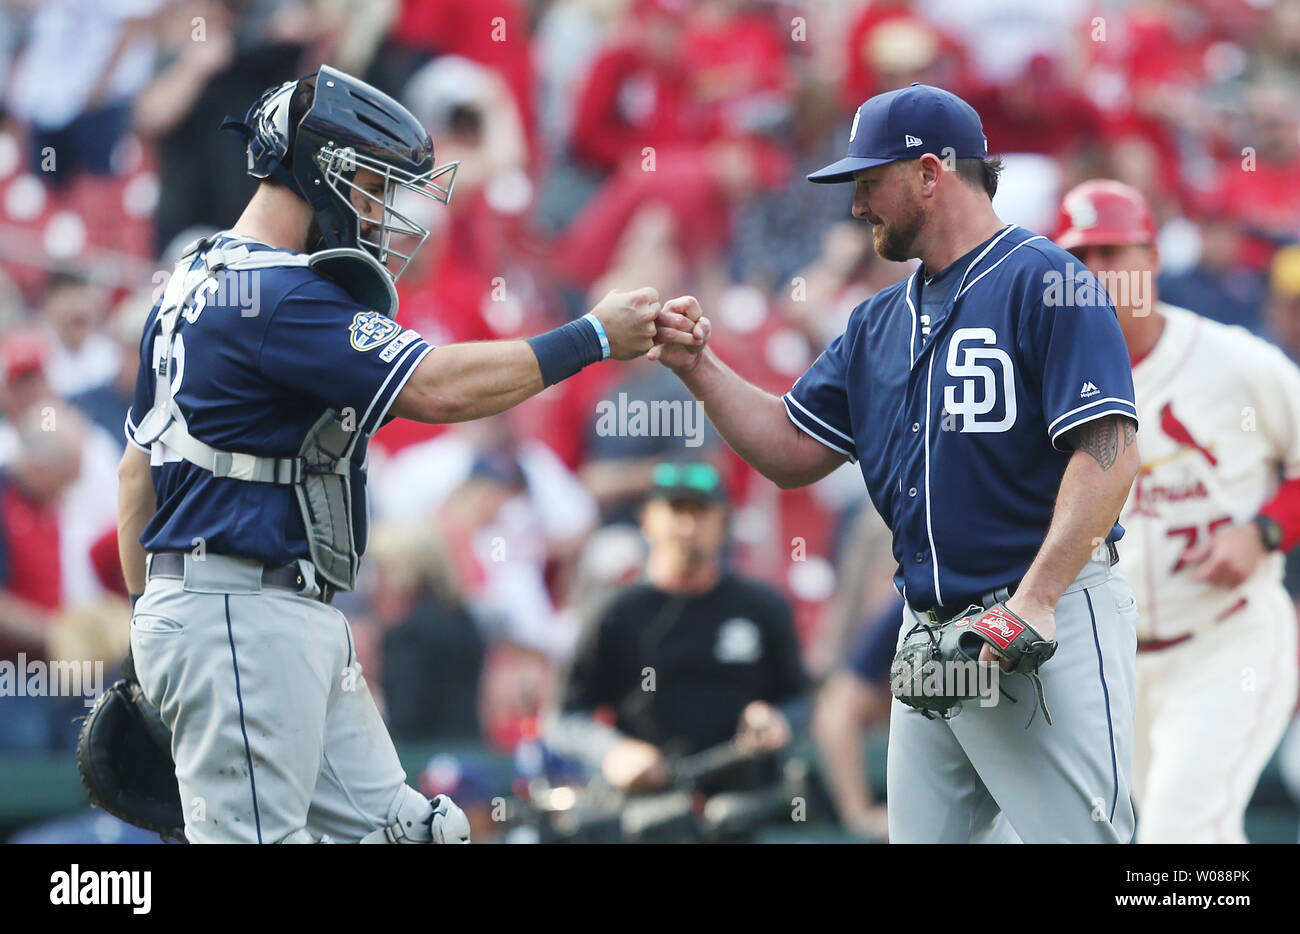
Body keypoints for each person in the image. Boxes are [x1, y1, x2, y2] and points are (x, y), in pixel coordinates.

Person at [116, 64, 695, 844]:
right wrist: (588, 337)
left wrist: (152, 629)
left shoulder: (189, 284)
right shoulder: (279, 294)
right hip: (240, 617)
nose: (381, 210)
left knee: (420, 833)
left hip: (253, 612)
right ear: (327, 172)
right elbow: (435, 389)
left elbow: (134, 480)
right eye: (373, 186)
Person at [647, 83, 1142, 843]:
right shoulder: (879, 320)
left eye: (868, 181)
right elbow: (791, 448)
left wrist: (1037, 599)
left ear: (929, 173)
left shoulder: (1048, 281)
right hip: (934, 639)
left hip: (1048, 620)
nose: (855, 206)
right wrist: (699, 367)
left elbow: (1108, 451)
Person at [1055, 179, 1300, 843]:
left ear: (1153, 257)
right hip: (1119, 666)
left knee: (1177, 840)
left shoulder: (1234, 362)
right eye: (1083, 256)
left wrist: (1264, 530)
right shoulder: (1047, 384)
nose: (1100, 271)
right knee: (1199, 842)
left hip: (1229, 636)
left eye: (1115, 251)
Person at [546, 462, 809, 795]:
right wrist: (612, 751)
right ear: (646, 521)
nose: (687, 526)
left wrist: (780, 719)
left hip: (745, 796)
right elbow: (564, 718)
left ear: (723, 522)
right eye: (674, 511)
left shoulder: (762, 606)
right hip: (649, 800)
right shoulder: (615, 612)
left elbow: (802, 699)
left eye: (700, 512)